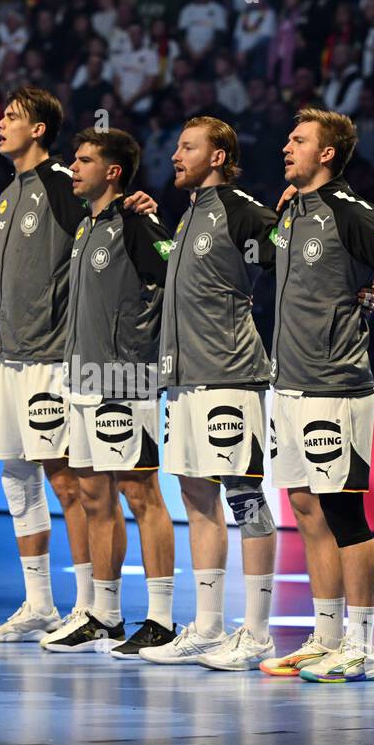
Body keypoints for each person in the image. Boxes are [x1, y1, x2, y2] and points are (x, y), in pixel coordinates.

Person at [138, 116, 280, 671]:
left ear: (217, 157)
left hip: (230, 375)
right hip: (185, 380)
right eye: (176, 144)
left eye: (188, 146)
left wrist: (363, 289)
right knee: (197, 498)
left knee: (245, 498)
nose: (175, 154)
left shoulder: (241, 209)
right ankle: (208, 626)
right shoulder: (189, 214)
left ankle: (260, 633)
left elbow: (292, 259)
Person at [264, 109, 374, 683]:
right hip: (286, 383)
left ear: (327, 154)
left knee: (344, 510)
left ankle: (363, 645)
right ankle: (325, 636)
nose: (285, 147)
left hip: (334, 383)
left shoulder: (349, 211)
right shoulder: (291, 211)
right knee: (303, 505)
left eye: (298, 140)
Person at [43, 127, 178, 656]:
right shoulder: (86, 227)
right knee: (94, 496)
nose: (73, 168)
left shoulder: (136, 220)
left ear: (114, 171)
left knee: (140, 494)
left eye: (84, 161)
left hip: (124, 378)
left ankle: (162, 620)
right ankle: (104, 614)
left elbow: (176, 277)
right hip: (82, 379)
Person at [0, 87, 93, 643]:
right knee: (16, 477)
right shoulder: (6, 194)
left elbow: (110, 228)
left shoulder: (63, 183)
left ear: (40, 129)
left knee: (66, 480)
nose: (1, 124)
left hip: (52, 357)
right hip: (5, 359)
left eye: (13, 117)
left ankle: (91, 608)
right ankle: (40, 604)